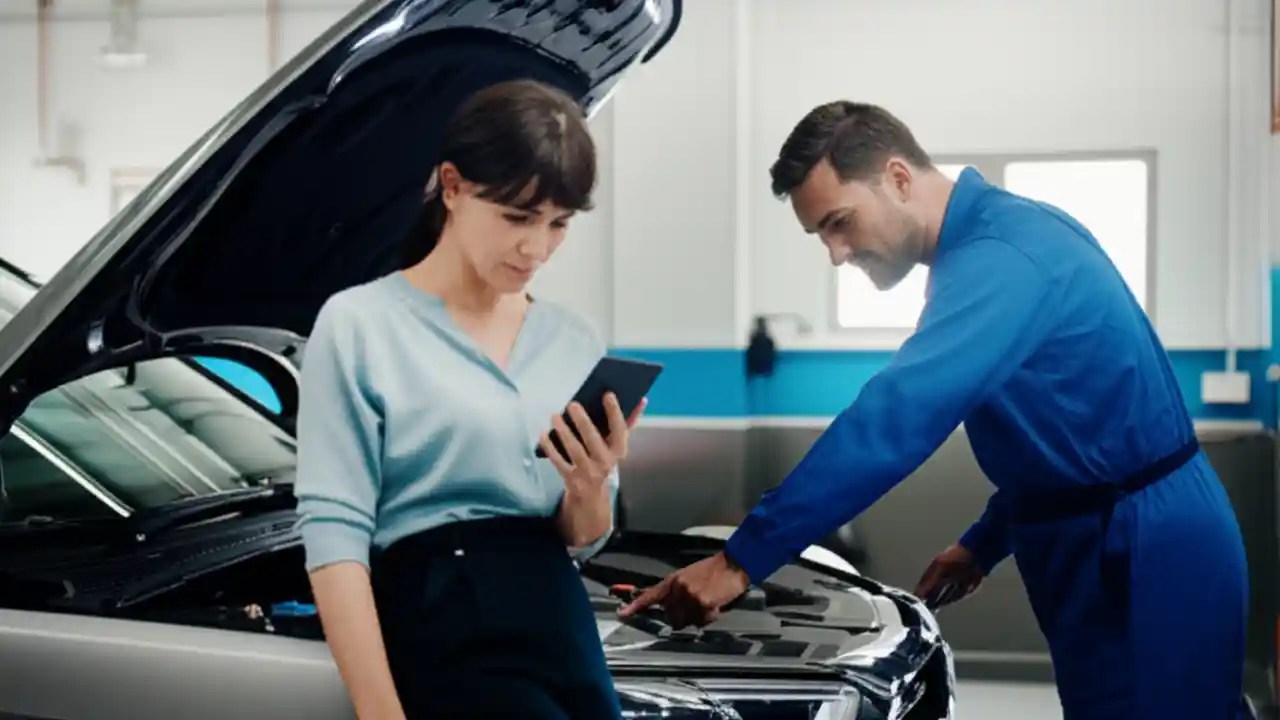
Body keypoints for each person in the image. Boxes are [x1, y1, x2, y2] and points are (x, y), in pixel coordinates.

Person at [620, 101, 1250, 719]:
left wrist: (740, 560)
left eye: (840, 223)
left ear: (898, 178)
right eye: (821, 236)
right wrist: (984, 542)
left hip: (1143, 547)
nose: (836, 253)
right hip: (1100, 533)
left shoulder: (1001, 257)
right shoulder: (990, 246)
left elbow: (897, 417)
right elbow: (1063, 431)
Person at [295, 79, 644, 719]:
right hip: (443, 623)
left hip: (560, 626)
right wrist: (379, 711)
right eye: (517, 217)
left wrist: (590, 486)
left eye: (558, 223)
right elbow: (335, 533)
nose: (537, 248)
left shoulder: (574, 339)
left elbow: (584, 539)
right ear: (452, 187)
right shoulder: (359, 325)